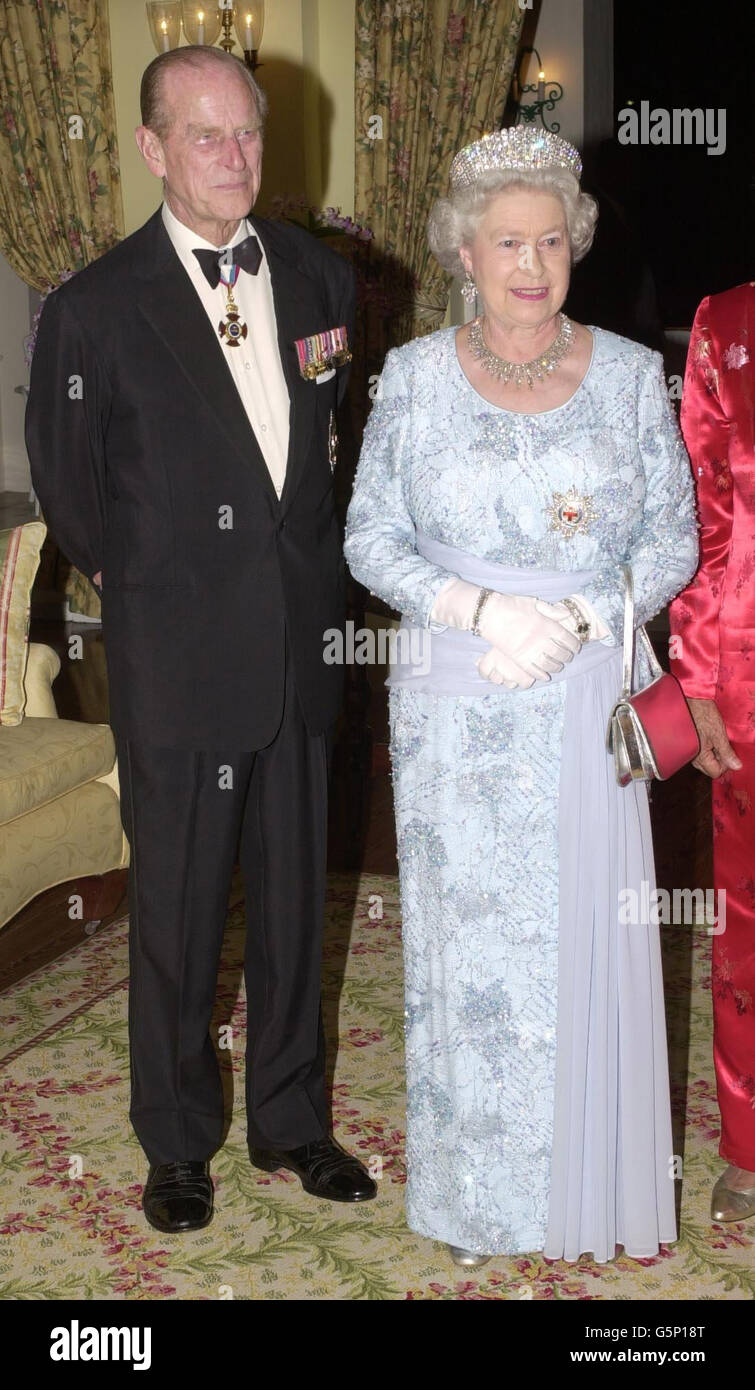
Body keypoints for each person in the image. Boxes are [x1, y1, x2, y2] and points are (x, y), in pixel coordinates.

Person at [25, 45, 375, 1234]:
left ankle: (290, 1119)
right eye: (206, 136)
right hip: (179, 661)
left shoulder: (323, 279)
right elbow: (72, 495)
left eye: (248, 136)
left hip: (299, 652)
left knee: (293, 902)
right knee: (173, 916)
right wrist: (163, 588)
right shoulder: (91, 309)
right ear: (152, 148)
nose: (233, 159)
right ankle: (175, 1141)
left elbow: (327, 448)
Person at [344, 127, 698, 1266]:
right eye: (508, 242)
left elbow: (675, 539)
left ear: (573, 243)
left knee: (578, 939)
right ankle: (476, 1199)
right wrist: (474, 608)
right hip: (457, 693)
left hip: (582, 693)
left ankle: (581, 1191)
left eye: (550, 239)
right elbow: (367, 538)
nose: (532, 265)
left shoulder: (634, 377)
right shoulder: (409, 378)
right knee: (467, 951)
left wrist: (591, 617)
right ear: (464, 250)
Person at [669, 282, 755, 1224]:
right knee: (744, 924)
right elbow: (706, 515)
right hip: (745, 670)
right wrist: (693, 680)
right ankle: (749, 1145)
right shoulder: (724, 326)